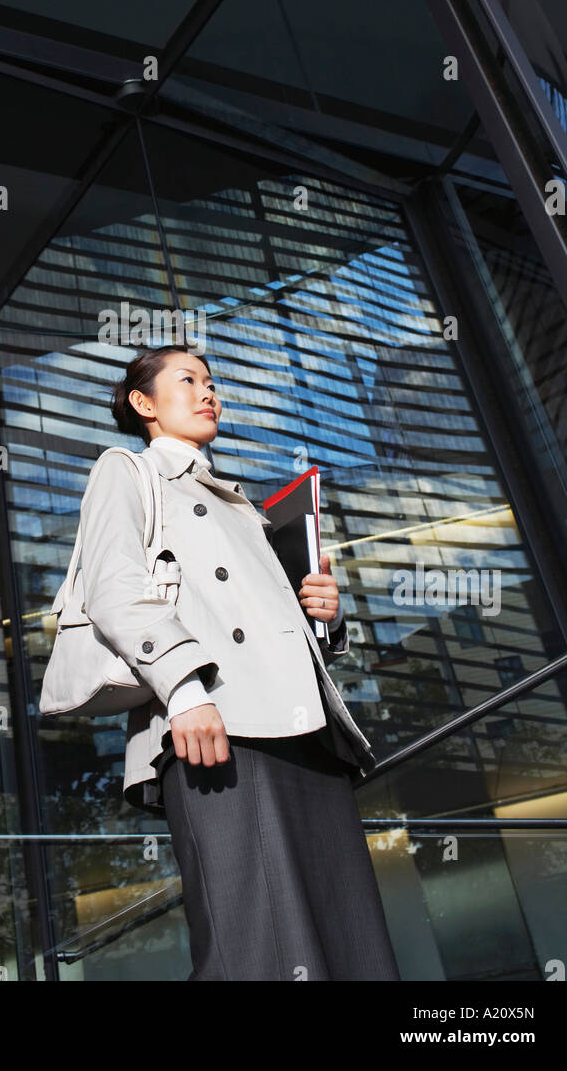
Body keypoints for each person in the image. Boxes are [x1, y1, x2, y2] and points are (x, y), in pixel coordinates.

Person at [77, 343, 401, 982]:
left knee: (351, 939)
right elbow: (113, 588)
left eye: (212, 382)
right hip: (216, 726)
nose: (208, 392)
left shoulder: (247, 507)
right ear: (144, 403)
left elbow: (275, 625)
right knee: (254, 945)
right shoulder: (128, 470)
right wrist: (184, 692)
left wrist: (327, 617)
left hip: (306, 734)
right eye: (188, 380)